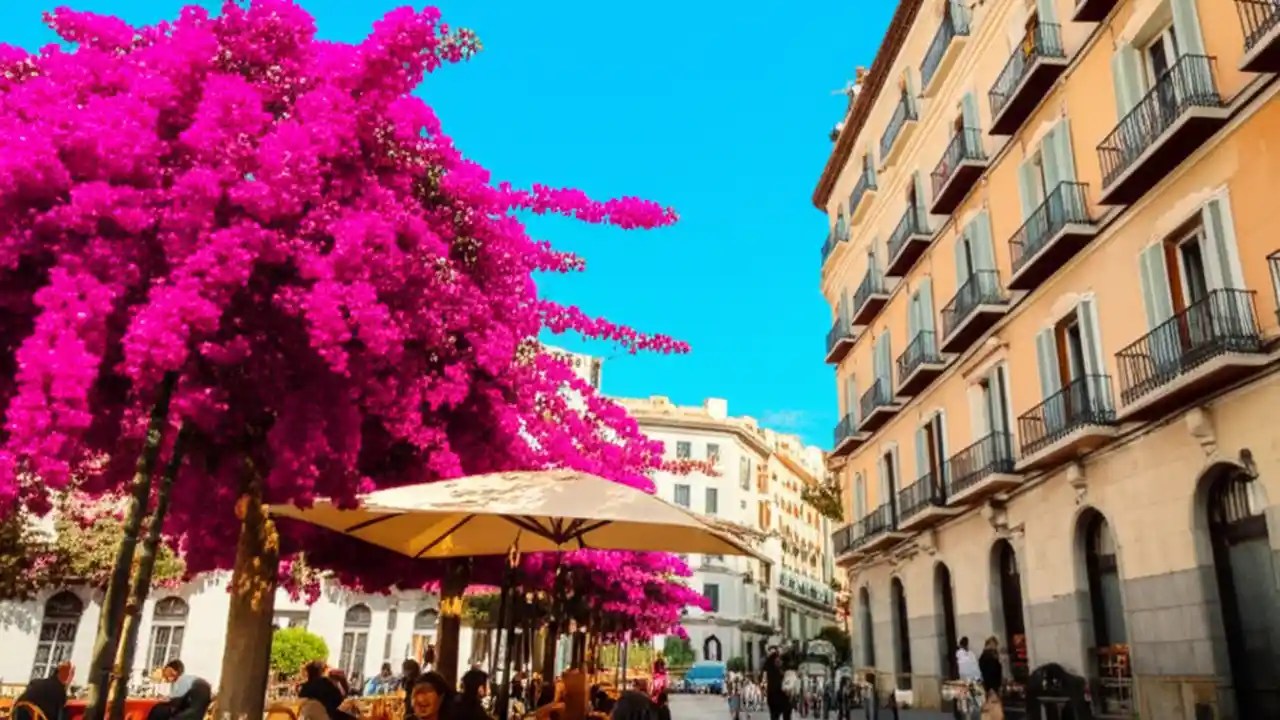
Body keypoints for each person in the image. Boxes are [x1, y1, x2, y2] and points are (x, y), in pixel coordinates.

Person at [764, 646, 791, 720]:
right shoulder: (771, 667)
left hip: (780, 696)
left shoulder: (782, 669)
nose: (779, 662)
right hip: (775, 696)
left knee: (783, 714)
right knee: (776, 715)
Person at [979, 637, 1004, 710]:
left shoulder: (991, 655)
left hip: (993, 685)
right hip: (991, 686)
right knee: (993, 706)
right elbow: (988, 673)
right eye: (994, 645)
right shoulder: (986, 657)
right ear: (990, 644)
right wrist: (991, 687)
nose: (996, 647)